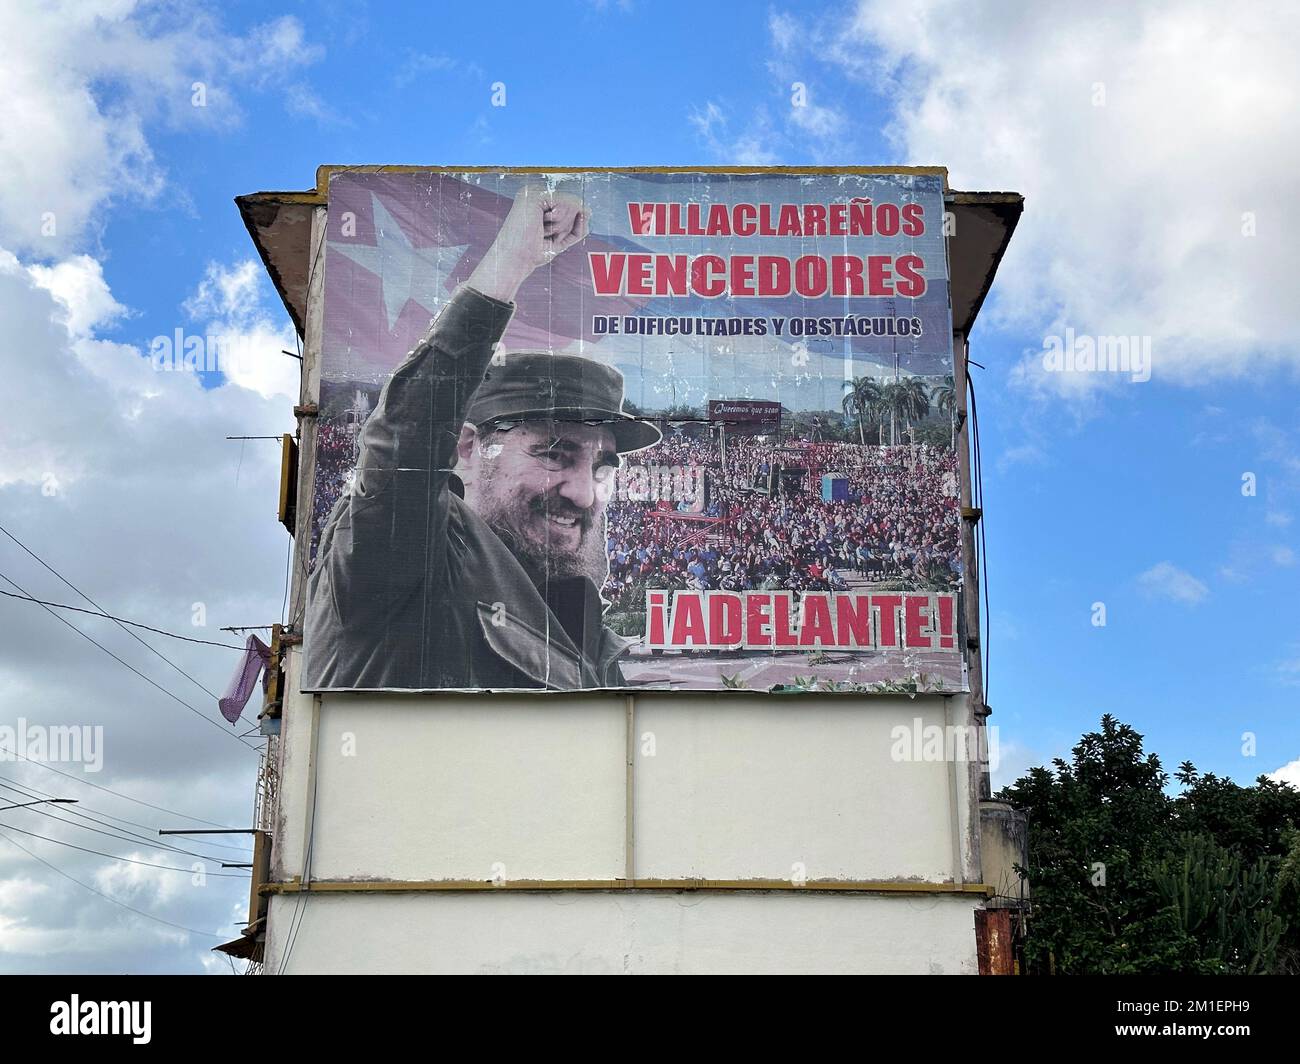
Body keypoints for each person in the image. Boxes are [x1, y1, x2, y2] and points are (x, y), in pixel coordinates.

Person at [304, 187, 660, 691]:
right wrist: (508, 266)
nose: (583, 493)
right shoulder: (408, 556)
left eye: (600, 466)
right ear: (465, 449)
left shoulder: (583, 630)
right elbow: (407, 438)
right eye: (555, 454)